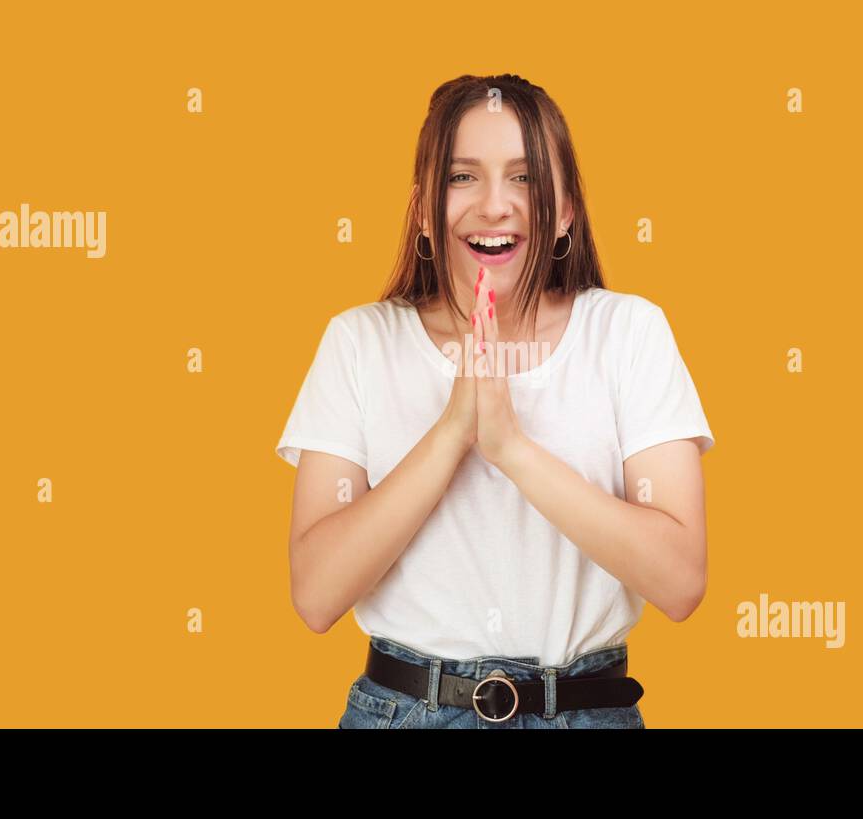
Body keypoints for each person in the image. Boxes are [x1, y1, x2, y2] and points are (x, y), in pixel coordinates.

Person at [276, 74, 715, 728]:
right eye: (462, 177)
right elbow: (315, 594)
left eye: (523, 178)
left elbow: (680, 581)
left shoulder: (628, 333)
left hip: (584, 710)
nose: (494, 205)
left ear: (565, 210)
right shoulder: (360, 343)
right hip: (405, 710)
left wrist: (510, 447)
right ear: (424, 211)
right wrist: (452, 430)